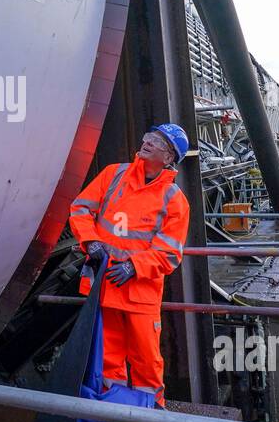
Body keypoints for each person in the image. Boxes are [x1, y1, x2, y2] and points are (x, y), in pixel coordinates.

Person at [67, 124, 192, 407]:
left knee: (146, 362)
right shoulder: (114, 175)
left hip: (139, 296)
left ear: (170, 158)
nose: (147, 142)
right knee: (108, 362)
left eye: (158, 142)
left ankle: (150, 418)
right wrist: (91, 241)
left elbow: (170, 252)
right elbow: (80, 208)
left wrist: (134, 266)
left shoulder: (174, 201)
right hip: (105, 288)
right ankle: (114, 418)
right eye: (148, 136)